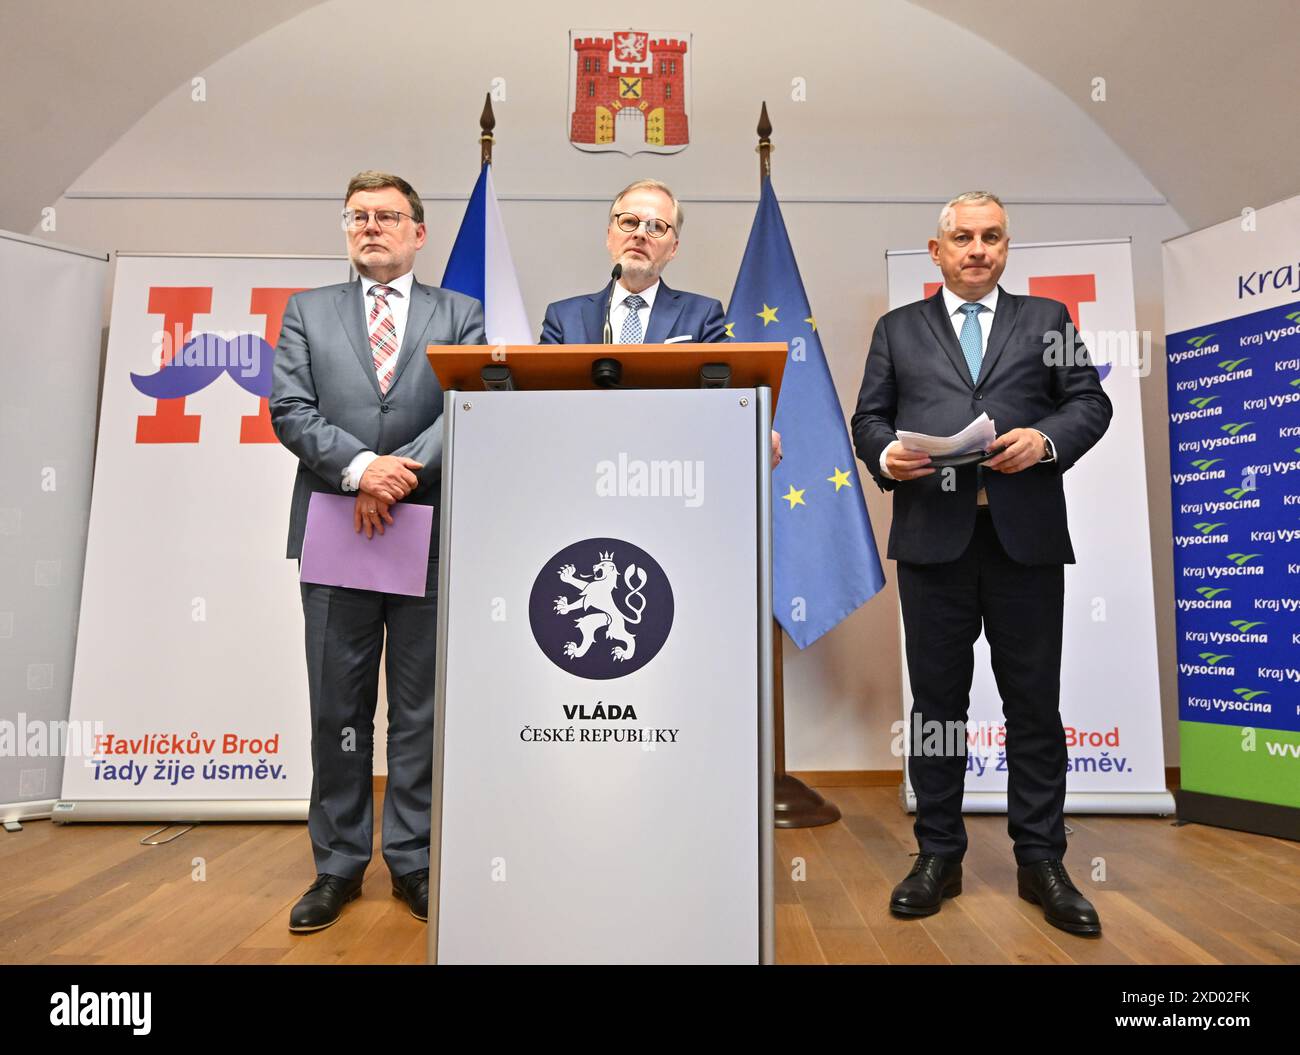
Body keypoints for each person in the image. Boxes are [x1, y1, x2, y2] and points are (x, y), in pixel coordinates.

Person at [851, 191, 1112, 936]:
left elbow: (1090, 401)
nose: (977, 249)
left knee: (1034, 705)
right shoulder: (897, 329)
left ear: (1006, 247)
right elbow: (868, 416)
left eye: (991, 236)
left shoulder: (1049, 321)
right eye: (962, 237)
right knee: (937, 711)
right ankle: (938, 854)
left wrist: (1046, 439)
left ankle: (1042, 861)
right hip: (933, 541)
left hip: (1023, 541)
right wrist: (885, 454)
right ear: (936, 252)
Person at [270, 170, 485, 932]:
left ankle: (415, 859)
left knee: (419, 711)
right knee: (339, 705)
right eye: (358, 215)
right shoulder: (307, 311)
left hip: (424, 528)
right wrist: (362, 469)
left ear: (418, 233)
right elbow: (289, 408)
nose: (371, 227)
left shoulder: (461, 312)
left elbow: (469, 399)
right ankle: (336, 865)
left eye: (388, 216)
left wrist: (398, 476)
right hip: (337, 526)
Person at [540, 178, 781, 467]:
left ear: (674, 248)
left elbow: (730, 401)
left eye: (656, 227)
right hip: (580, 465)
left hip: (671, 471)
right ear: (609, 235)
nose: (640, 234)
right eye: (629, 222)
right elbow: (542, 407)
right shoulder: (563, 318)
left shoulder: (702, 315)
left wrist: (754, 431)